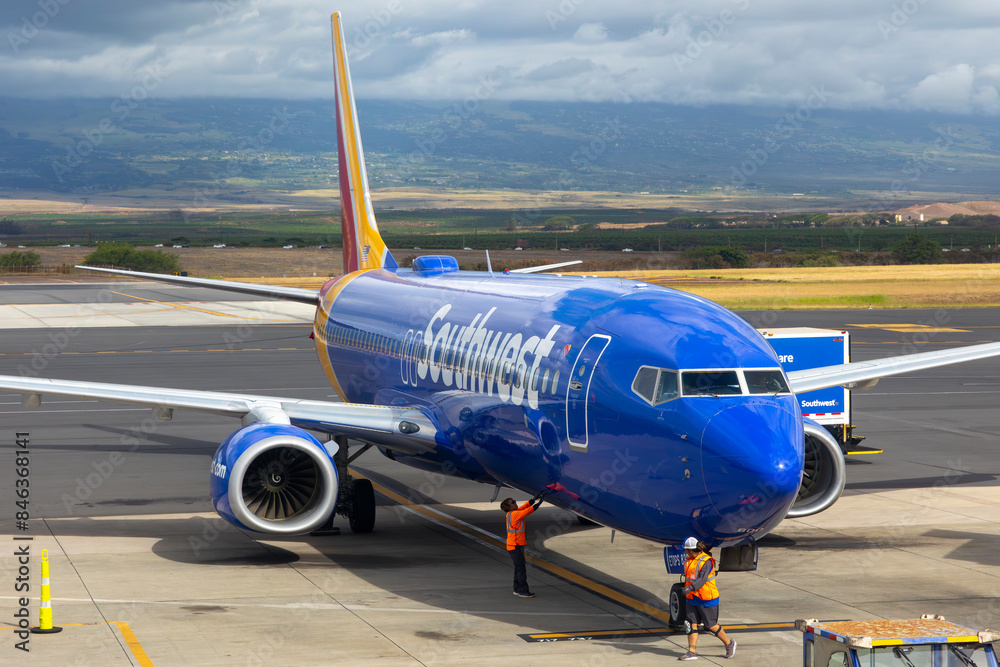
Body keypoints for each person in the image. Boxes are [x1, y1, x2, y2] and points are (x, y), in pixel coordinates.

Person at [678, 536, 736, 661]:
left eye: (685, 550)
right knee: (690, 624)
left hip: (706, 598)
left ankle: (729, 644)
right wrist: (688, 589)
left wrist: (690, 588)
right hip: (692, 597)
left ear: (689, 550)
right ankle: (691, 652)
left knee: (711, 625)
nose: (684, 552)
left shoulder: (707, 561)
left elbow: (702, 580)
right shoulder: (690, 559)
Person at [500, 494, 544, 598]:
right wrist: (538, 504)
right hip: (515, 546)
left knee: (518, 568)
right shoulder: (515, 514)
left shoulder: (512, 513)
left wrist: (532, 500)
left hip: (515, 545)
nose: (515, 503)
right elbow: (527, 511)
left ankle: (517, 588)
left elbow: (524, 508)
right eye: (513, 502)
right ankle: (522, 590)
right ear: (509, 507)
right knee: (521, 569)